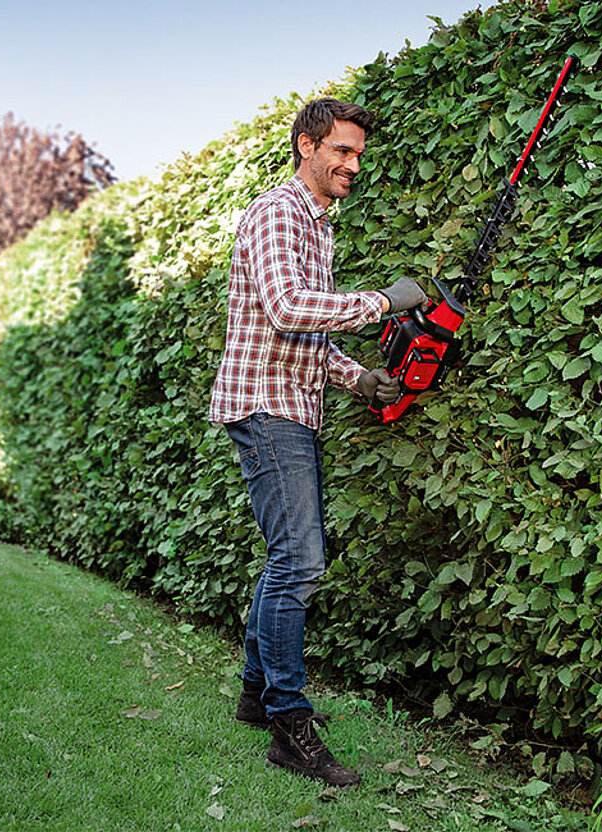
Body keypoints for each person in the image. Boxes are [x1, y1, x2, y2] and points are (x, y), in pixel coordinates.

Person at [208, 97, 427, 787]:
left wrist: (361, 379)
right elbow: (288, 306)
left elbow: (302, 335)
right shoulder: (278, 212)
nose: (352, 164)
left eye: (358, 153)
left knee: (287, 559)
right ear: (307, 145)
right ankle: (288, 726)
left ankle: (255, 696)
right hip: (267, 408)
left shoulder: (315, 226)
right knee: (301, 563)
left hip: (292, 405)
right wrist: (385, 301)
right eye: (341, 150)